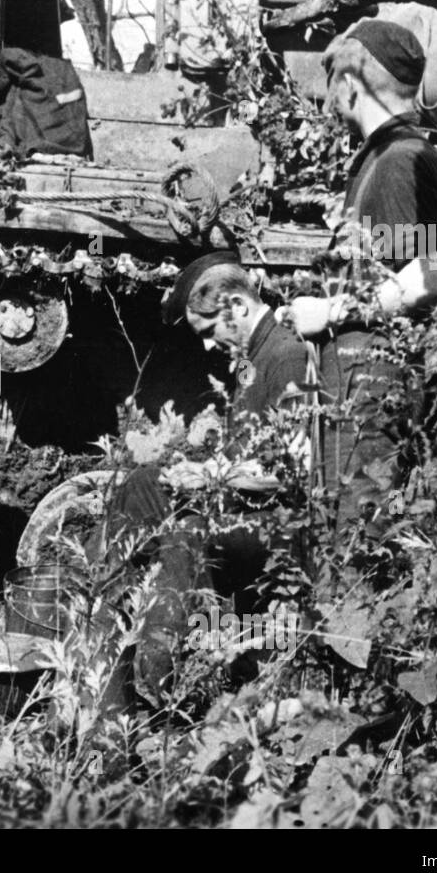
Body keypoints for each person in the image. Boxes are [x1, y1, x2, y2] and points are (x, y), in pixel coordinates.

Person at [284, 19, 437, 528]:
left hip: (372, 395)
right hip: (363, 390)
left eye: (333, 80)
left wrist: (328, 311)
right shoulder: (399, 156)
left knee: (355, 540)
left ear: (350, 83)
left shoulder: (401, 162)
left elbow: (429, 279)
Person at [111, 257, 310, 704]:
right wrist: (197, 471)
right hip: (241, 504)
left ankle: (159, 683)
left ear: (237, 306)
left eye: (207, 330)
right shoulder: (254, 357)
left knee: (186, 535)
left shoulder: (286, 357)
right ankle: (103, 617)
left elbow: (293, 471)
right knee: (143, 482)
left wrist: (210, 475)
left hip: (274, 525)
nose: (206, 347)